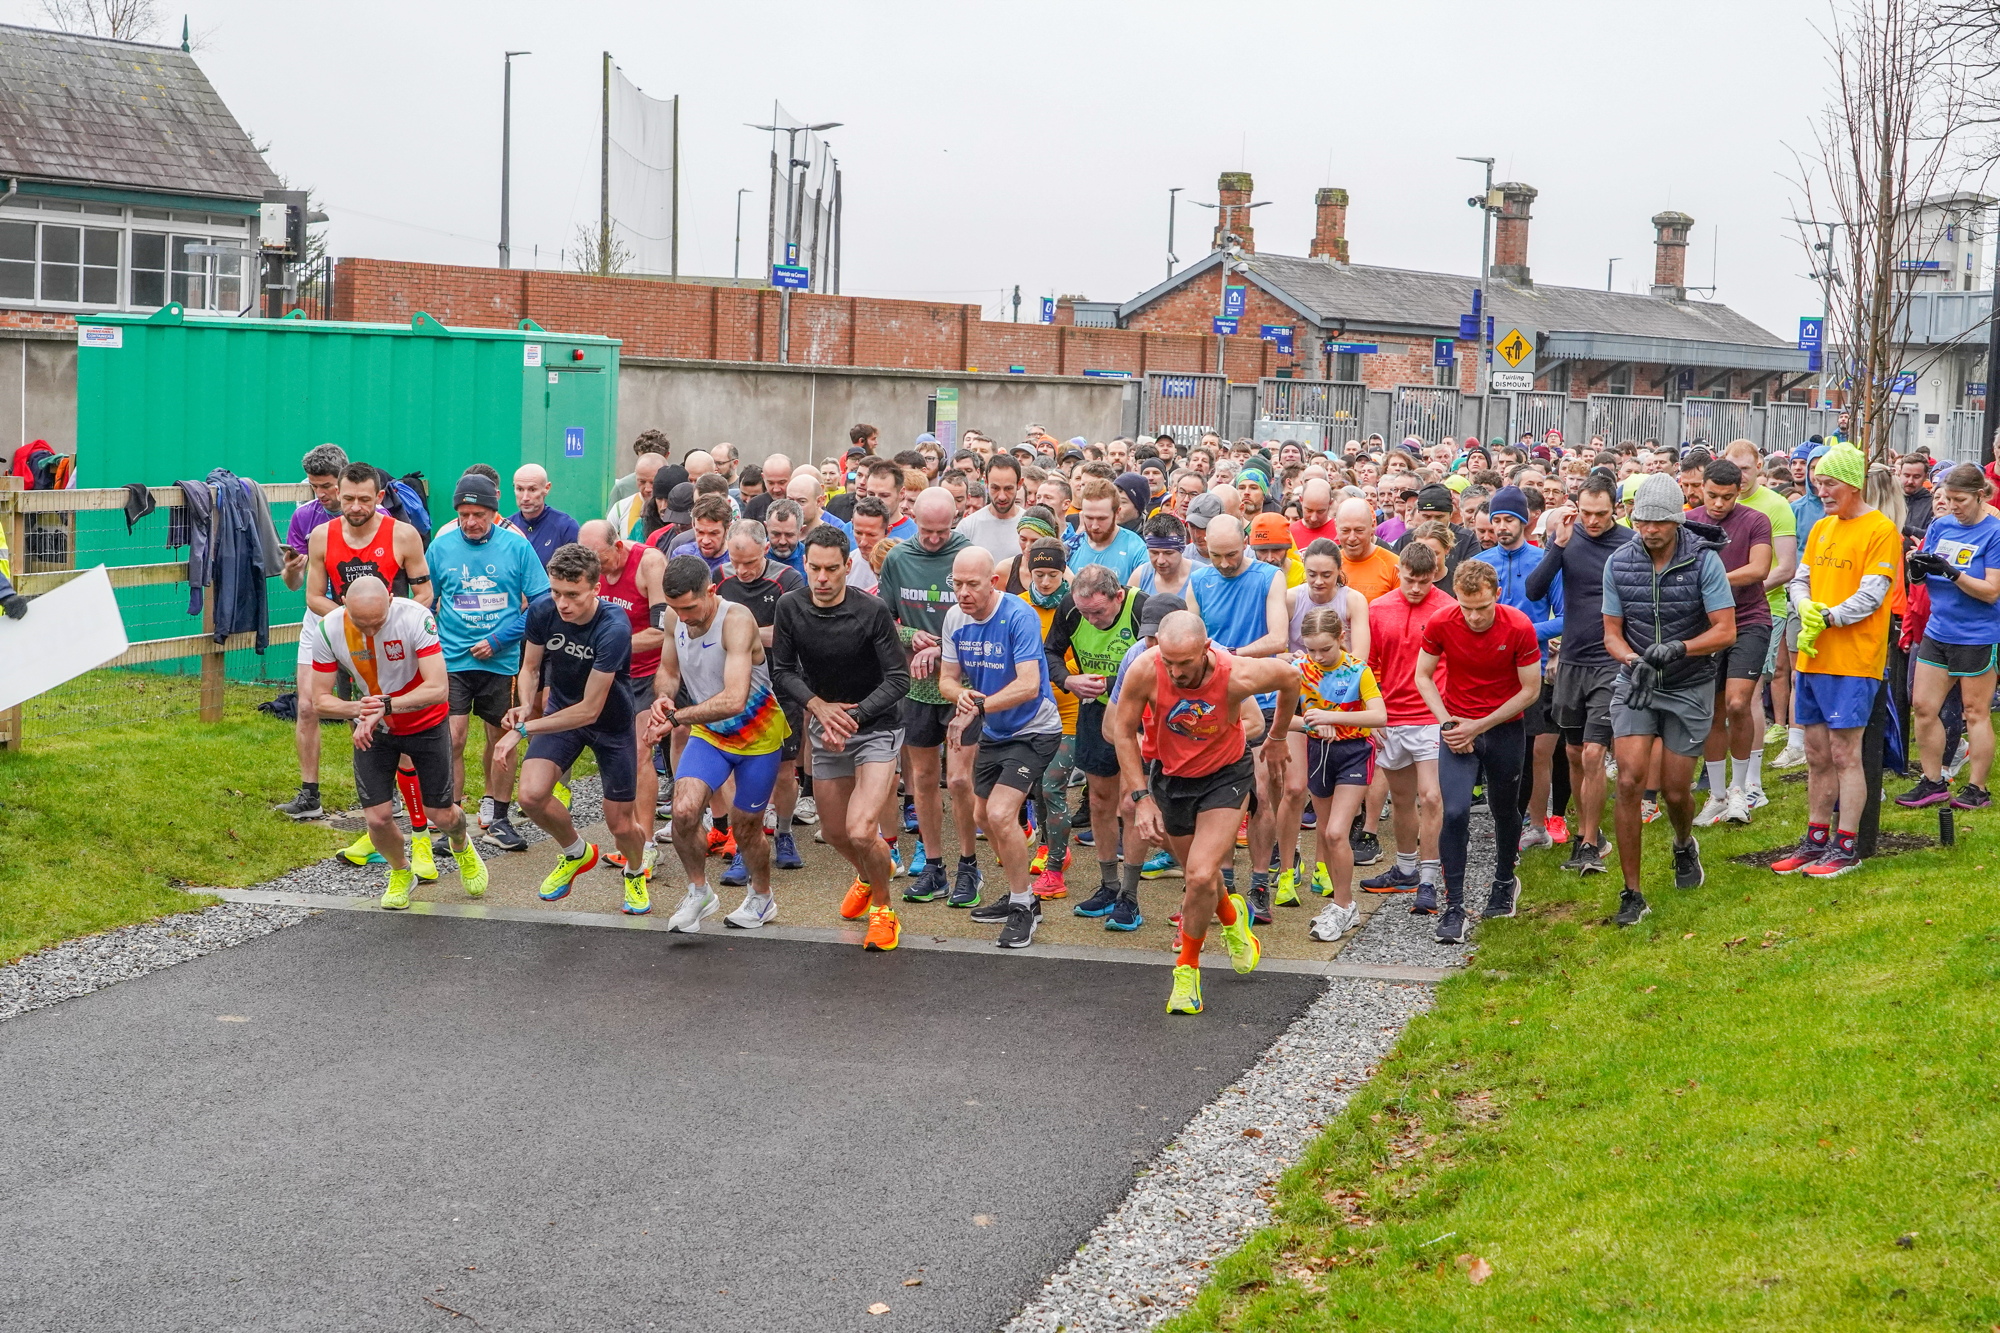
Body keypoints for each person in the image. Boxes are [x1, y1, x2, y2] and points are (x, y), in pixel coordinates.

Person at [1109, 611, 1300, 1016]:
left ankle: (1187, 972)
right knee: (1202, 875)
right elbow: (1122, 731)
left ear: (1205, 648)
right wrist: (1141, 798)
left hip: (1225, 776)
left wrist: (1279, 736)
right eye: (1169, 661)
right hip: (1171, 779)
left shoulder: (1236, 674)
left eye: (1185, 662)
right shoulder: (1145, 669)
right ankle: (1233, 918)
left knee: (1197, 875)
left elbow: (1290, 678)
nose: (1176, 672)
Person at [1601, 473, 1739, 926]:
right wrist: (1633, 659)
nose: (1649, 530)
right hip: (1637, 682)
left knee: (1678, 790)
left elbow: (1726, 630)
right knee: (1628, 781)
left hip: (1689, 682)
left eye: (1658, 522)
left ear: (1677, 521)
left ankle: (1683, 844)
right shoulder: (1619, 562)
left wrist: (1679, 648)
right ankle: (1632, 892)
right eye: (1641, 521)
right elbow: (1611, 633)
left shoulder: (1704, 561)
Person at [769, 525, 913, 948]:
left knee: (862, 830)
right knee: (834, 833)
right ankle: (870, 874)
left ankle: (884, 911)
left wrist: (854, 716)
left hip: (876, 725)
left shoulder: (871, 611)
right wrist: (819, 707)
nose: (822, 578)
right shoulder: (790, 606)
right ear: (805, 565)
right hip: (824, 721)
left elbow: (899, 678)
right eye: (814, 568)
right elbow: (783, 671)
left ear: (848, 566)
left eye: (832, 569)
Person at [307, 576, 487, 910]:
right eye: (361, 624)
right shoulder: (328, 628)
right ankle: (402, 871)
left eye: (378, 623)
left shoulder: (416, 617)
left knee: (441, 815)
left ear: (391, 599)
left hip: (425, 723)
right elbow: (319, 700)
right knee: (377, 818)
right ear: (344, 603)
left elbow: (438, 688)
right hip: (375, 728)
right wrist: (360, 710)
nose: (370, 631)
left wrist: (385, 705)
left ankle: (461, 843)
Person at [1764, 443, 1902, 878]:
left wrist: (1827, 616)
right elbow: (1801, 578)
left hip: (1853, 661)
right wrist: (1804, 605)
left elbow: (1873, 593)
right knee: (1816, 754)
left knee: (1845, 754)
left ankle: (1847, 846)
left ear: (1853, 484)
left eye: (1829, 483)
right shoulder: (1823, 527)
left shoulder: (1880, 530)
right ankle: (1815, 839)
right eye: (1817, 483)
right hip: (1813, 658)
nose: (1821, 491)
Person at [495, 542, 652, 915]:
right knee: (530, 795)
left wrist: (523, 730)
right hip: (561, 714)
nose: (562, 603)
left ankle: (635, 871)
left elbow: (589, 710)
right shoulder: (543, 610)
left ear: (596, 588)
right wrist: (525, 705)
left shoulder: (613, 627)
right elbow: (530, 667)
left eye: (573, 595)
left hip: (609, 724)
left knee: (621, 824)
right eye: (556, 592)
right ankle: (575, 852)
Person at [644, 554, 791, 932]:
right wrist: (664, 698)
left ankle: (762, 897)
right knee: (683, 812)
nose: (683, 617)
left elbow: (734, 699)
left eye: (690, 608)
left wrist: (676, 718)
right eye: (676, 608)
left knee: (746, 828)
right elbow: (668, 670)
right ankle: (699, 891)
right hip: (709, 733)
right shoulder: (674, 616)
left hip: (757, 737)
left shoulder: (736, 620)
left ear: (710, 591)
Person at [301, 463, 435, 866]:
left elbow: (425, 593)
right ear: (336, 496)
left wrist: (392, 623)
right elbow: (314, 596)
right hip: (352, 650)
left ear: (379, 497)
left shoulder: (403, 535)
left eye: (364, 499)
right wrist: (351, 623)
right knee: (365, 738)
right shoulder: (322, 536)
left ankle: (421, 839)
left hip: (397, 651)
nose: (355, 507)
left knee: (404, 745)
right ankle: (379, 830)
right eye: (348, 499)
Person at [940, 546, 1067, 948]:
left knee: (999, 812)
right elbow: (946, 679)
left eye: (972, 584)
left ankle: (1022, 907)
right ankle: (1022, 894)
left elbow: (1029, 685)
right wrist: (960, 696)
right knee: (982, 815)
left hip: (1035, 728)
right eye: (957, 584)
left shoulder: (1018, 615)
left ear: (993, 582)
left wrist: (977, 707)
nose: (963, 593)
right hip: (995, 730)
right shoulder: (955, 618)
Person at [1414, 561, 1543, 943]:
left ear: (1496, 595)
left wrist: (1480, 725)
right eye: (1466, 607)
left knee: (1505, 809)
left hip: (1504, 729)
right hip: (1458, 729)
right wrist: (1447, 724)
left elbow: (1531, 690)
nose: (1473, 616)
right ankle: (1454, 906)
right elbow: (1423, 675)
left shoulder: (1518, 625)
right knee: (1454, 812)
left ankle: (1504, 881)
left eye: (1482, 607)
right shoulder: (1442, 621)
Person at [427, 472, 549, 853]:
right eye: (463, 515)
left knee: (501, 738)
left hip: (501, 661)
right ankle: (453, 821)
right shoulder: (441, 547)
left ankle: (499, 818)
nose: (470, 522)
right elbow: (425, 600)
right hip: (452, 658)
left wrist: (500, 639)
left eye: (478, 515)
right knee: (453, 737)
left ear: (494, 513)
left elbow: (543, 605)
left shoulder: (516, 546)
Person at [1529, 471, 1635, 874]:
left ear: (1615, 509)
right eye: (1586, 512)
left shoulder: (1630, 543)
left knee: (1593, 752)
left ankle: (1588, 843)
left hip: (1611, 659)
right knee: (1574, 753)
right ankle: (1590, 833)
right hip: (1572, 660)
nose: (1592, 521)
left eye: (1601, 514)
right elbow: (1535, 590)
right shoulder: (1566, 539)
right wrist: (1557, 545)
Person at [1187, 514, 1292, 920]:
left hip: (1261, 697)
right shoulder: (1199, 581)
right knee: (1223, 797)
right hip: (1217, 702)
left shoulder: (1268, 577)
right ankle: (1226, 882)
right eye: (1216, 556)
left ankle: (1260, 882)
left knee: (1262, 793)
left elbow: (1278, 638)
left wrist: (1229, 658)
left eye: (1231, 554)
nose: (1225, 563)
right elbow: (1191, 637)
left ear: (1245, 543)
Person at [878, 488, 979, 903]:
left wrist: (941, 647)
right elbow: (884, 619)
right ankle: (934, 865)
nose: (935, 539)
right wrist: (910, 635)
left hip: (964, 685)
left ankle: (969, 865)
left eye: (943, 531)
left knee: (958, 780)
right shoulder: (899, 558)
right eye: (926, 531)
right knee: (921, 779)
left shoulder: (968, 555)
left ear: (956, 519)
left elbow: (983, 616)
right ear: (911, 519)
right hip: (917, 685)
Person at [1044, 563, 1150, 918]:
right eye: (1085, 612)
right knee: (1100, 800)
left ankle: (1129, 895)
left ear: (1118, 596)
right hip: (1095, 710)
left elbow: (1163, 665)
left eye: (1099, 612)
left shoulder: (1141, 609)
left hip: (1141, 715)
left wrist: (1110, 682)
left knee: (1132, 802)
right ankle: (1108, 885)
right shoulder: (1071, 608)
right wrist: (1067, 680)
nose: (1090, 620)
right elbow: (1050, 652)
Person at [1898, 463, 2000, 810]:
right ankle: (1933, 781)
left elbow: (1991, 591)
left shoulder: (1994, 532)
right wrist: (1917, 570)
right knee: (1924, 707)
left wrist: (1952, 573)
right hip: (1938, 630)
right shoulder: (1940, 526)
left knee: (1975, 711)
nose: (1952, 506)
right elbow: (1924, 574)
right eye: (1948, 498)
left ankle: (1977, 789)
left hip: (1977, 634)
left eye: (1960, 500)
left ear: (1980, 495)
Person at [1359, 540, 1453, 905]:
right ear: (1398, 573)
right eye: (1409, 580)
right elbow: (1367, 666)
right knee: (1400, 799)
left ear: (1435, 576)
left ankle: (1428, 879)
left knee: (1431, 796)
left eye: (1423, 582)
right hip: (1391, 717)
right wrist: (1372, 714)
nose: (1415, 588)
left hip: (1431, 717)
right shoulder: (1378, 609)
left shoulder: (1447, 608)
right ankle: (1405, 869)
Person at [713, 519, 810, 872]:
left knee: (784, 770)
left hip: (781, 684)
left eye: (750, 563)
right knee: (740, 770)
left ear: (766, 550)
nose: (742, 571)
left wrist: (740, 632)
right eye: (735, 562)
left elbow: (792, 634)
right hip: (735, 686)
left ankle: (784, 833)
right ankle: (744, 842)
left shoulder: (789, 580)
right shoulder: (718, 578)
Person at [1473, 487, 1564, 853]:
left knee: (1531, 754)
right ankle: (1505, 821)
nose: (1501, 527)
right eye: (1496, 520)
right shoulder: (1481, 563)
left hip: (1532, 670)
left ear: (1525, 522)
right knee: (1493, 752)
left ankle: (1536, 824)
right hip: (1488, 672)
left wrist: (1523, 633)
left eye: (1509, 519)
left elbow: (1566, 617)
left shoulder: (1544, 561)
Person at [1690, 460, 1774, 828]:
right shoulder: (1688, 522)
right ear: (1701, 488)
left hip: (1749, 619)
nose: (1719, 503)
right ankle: (1718, 795)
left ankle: (1741, 790)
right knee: (1712, 709)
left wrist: (1714, 579)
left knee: (1738, 702)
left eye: (1727, 497)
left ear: (1739, 491)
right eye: (1712, 495)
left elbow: (1759, 569)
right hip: (1705, 625)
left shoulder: (1755, 521)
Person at [576, 519, 669, 855]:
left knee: (641, 753)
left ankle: (647, 845)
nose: (595, 569)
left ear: (617, 547)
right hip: (609, 673)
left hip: (647, 673)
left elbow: (662, 632)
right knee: (617, 755)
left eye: (599, 561)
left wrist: (610, 645)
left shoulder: (650, 563)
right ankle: (629, 838)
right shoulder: (588, 566)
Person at [1296, 605, 1387, 943]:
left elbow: (1379, 716)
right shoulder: (1299, 670)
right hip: (1319, 753)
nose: (1318, 657)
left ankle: (1344, 904)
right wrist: (1312, 723)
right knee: (1325, 833)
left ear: (1341, 638)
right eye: (1311, 649)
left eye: (1325, 649)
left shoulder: (1358, 670)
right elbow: (1281, 719)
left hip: (1355, 753)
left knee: (1337, 832)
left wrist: (1333, 718)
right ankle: (1341, 905)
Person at [274, 443, 354, 819]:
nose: (320, 494)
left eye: (326, 485)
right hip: (318, 620)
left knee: (372, 707)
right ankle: (310, 796)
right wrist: (291, 569)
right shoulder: (304, 516)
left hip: (360, 622)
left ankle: (391, 790)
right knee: (307, 706)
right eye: (313, 486)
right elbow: (293, 584)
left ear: (343, 479)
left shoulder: (371, 514)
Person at [1722, 439, 1799, 807]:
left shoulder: (1775, 506)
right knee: (1720, 699)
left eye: (1745, 469)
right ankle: (1719, 781)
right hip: (1717, 614)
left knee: (1748, 695)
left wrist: (1741, 589)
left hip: (1764, 610)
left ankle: (1752, 783)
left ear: (1759, 467)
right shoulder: (1716, 504)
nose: (1739, 477)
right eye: (1733, 469)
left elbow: (1786, 567)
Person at [1067, 477, 1150, 581]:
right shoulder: (1071, 548)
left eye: (1102, 518)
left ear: (1117, 512)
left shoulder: (1136, 548)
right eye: (1089, 518)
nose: (1094, 526)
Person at [956, 454, 1027, 558]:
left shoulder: (1032, 524)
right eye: (995, 488)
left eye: (1008, 489)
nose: (1002, 497)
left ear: (1019, 483)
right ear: (986, 482)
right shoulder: (967, 527)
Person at [510, 463, 578, 568]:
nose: (525, 497)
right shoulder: (506, 527)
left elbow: (576, 572)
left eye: (532, 489)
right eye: (520, 489)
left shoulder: (566, 528)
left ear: (547, 488)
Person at [1335, 497, 1400, 604]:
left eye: (1359, 530)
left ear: (1373, 526)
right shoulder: (1329, 566)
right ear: (1336, 527)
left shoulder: (1394, 566)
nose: (1352, 537)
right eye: (1345, 530)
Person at [1133, 512, 1200, 600]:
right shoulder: (1139, 577)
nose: (1160, 561)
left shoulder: (1202, 577)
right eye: (1154, 553)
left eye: (1168, 553)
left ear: (1182, 549)